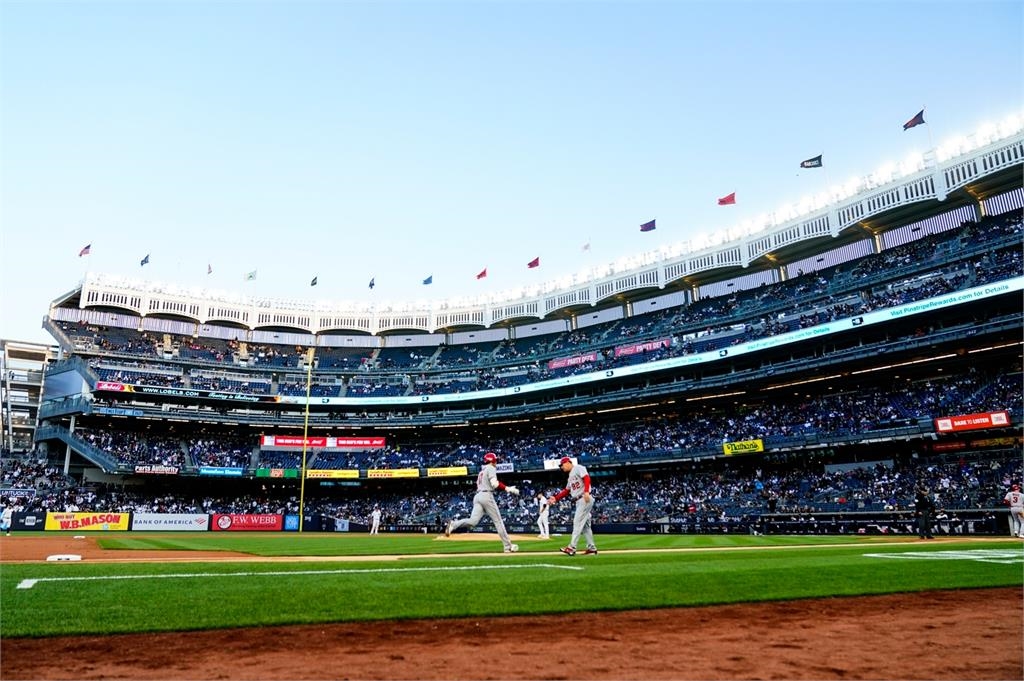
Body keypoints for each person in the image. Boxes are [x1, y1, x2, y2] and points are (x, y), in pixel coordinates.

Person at [445, 452, 520, 553]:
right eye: (495, 460)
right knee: (498, 522)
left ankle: (454, 524)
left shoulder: (482, 471)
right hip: (486, 495)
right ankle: (508, 546)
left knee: (473, 521)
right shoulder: (491, 468)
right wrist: (508, 489)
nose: (496, 462)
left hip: (478, 496)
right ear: (492, 461)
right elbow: (494, 484)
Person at [548, 456, 597, 556]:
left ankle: (571, 547)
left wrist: (587, 491)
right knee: (586, 527)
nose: (562, 467)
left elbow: (586, 478)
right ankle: (592, 548)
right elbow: (567, 490)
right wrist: (556, 498)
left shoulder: (578, 468)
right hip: (579, 500)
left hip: (584, 498)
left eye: (562, 465)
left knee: (577, 523)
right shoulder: (570, 476)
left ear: (568, 462)